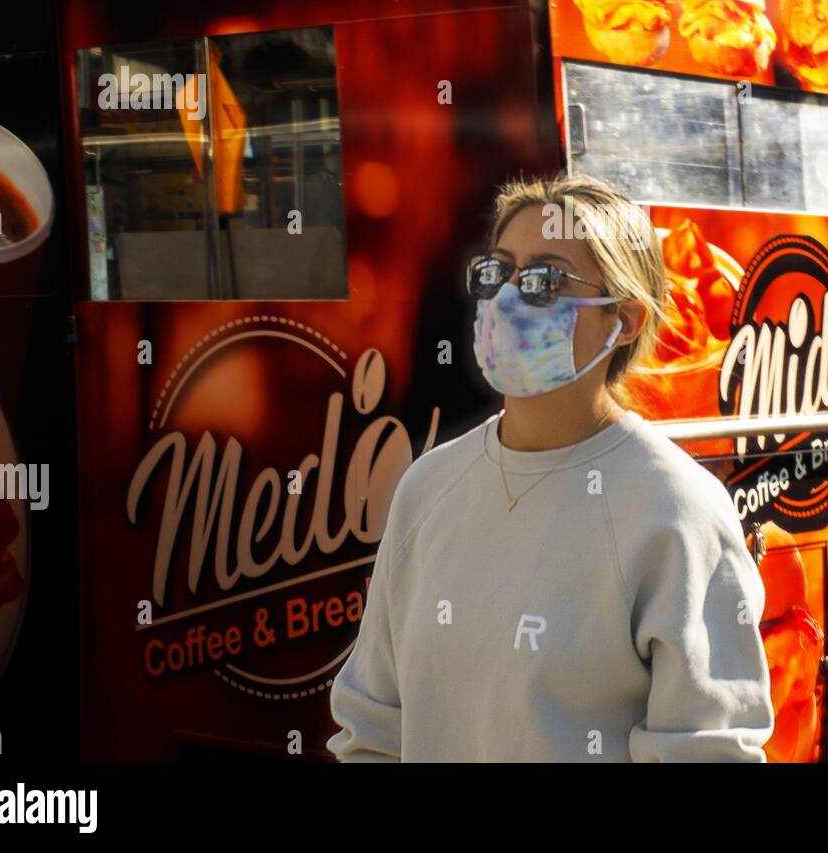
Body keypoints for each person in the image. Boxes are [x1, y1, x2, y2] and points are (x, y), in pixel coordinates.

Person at [326, 172, 774, 762]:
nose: (508, 297)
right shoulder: (427, 487)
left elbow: (707, 750)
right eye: (498, 271)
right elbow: (371, 729)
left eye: (544, 280)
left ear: (627, 318)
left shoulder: (676, 512)